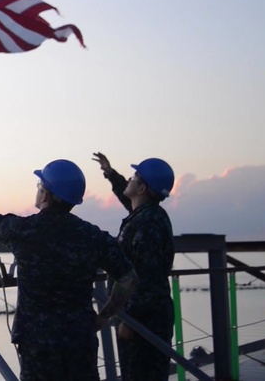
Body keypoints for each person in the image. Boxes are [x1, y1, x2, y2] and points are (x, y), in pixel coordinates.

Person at [0, 160, 137, 381]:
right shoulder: (93, 236)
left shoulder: (23, 230)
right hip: (80, 339)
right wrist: (105, 315)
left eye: (39, 186)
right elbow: (128, 278)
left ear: (45, 194)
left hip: (37, 343)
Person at [92, 152, 176, 381]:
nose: (129, 179)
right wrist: (110, 173)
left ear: (141, 189)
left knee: (140, 375)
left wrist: (131, 319)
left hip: (143, 320)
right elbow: (126, 194)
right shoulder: (146, 215)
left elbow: (146, 275)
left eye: (134, 177)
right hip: (145, 316)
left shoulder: (148, 223)